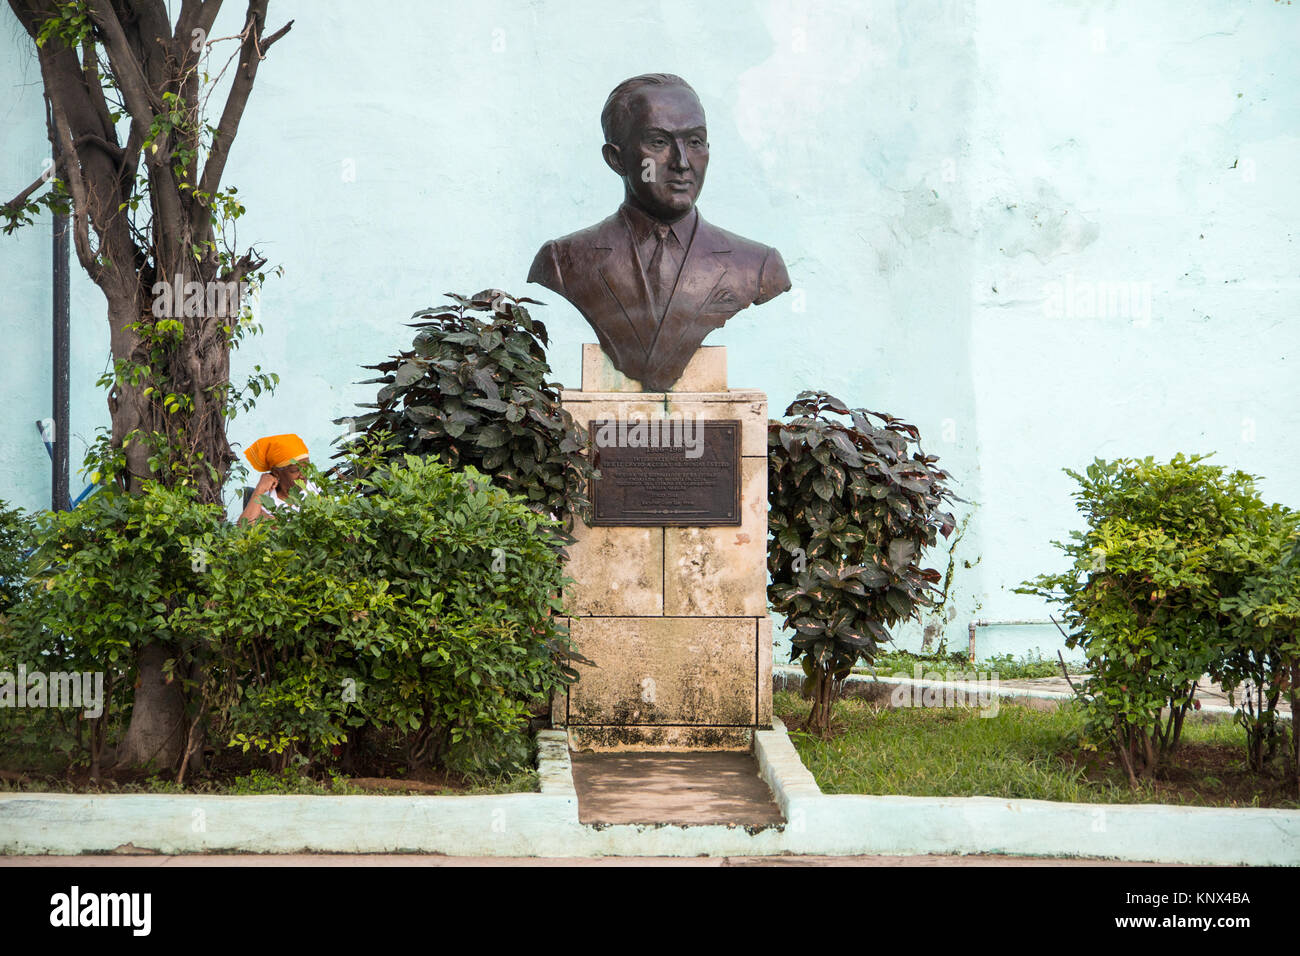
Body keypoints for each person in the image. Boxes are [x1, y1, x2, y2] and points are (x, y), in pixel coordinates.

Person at [527, 73, 790, 391]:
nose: (682, 162)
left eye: (694, 142)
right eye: (659, 142)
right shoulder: (563, 261)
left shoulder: (758, 266)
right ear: (616, 159)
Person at [238, 433, 318, 523]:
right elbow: (243, 528)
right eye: (295, 470)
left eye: (306, 468)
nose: (303, 475)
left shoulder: (316, 490)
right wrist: (259, 490)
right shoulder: (265, 499)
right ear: (276, 472)